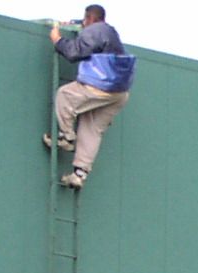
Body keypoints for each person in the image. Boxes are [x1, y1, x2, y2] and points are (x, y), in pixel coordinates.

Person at [45, 5, 136, 189]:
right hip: (120, 93)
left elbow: (75, 52)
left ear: (89, 18)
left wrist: (57, 40)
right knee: (91, 125)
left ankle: (67, 138)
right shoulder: (110, 31)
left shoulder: (95, 29)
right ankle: (79, 174)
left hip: (102, 85)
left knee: (65, 94)